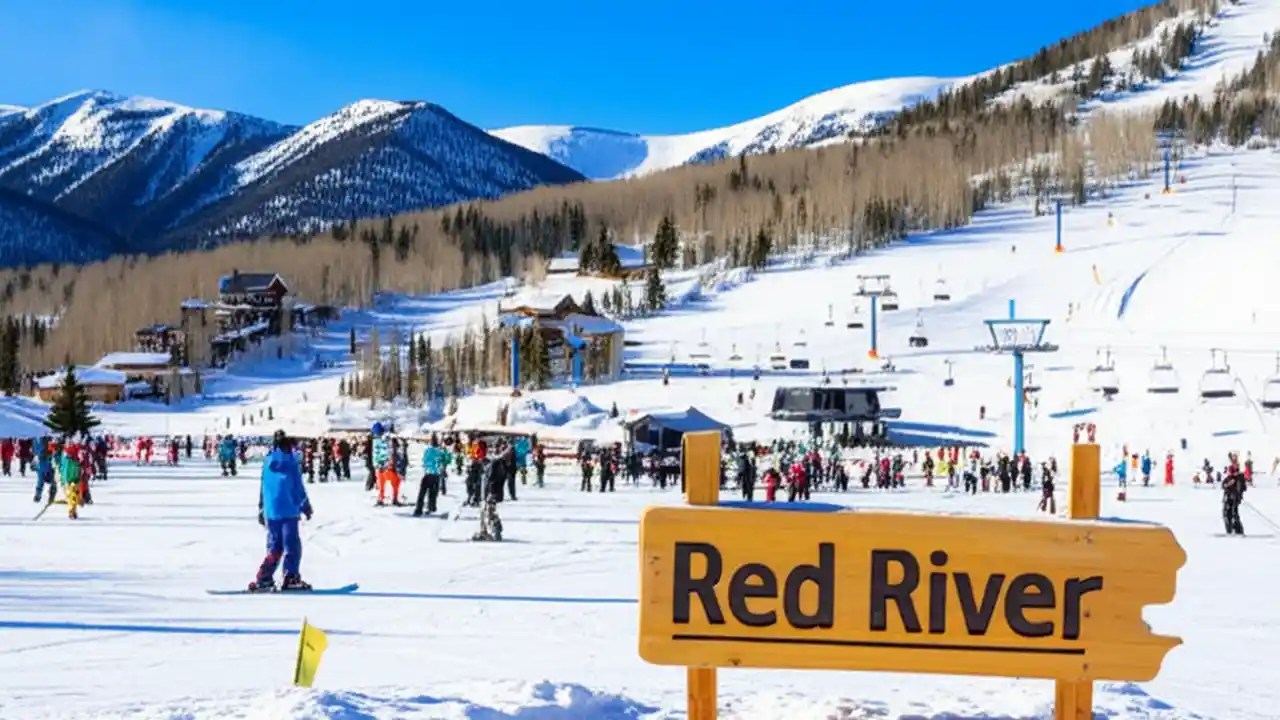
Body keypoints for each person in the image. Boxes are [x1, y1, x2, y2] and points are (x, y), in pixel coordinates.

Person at [249, 431, 313, 592]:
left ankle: (264, 577)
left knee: (275, 546)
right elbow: (297, 486)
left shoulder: (268, 462)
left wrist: (261, 508)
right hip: (289, 509)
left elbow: (263, 487)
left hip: (272, 510)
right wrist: (305, 505)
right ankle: (291, 576)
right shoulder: (291, 463)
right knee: (292, 544)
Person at [371, 423, 401, 506]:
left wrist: (376, 465)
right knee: (395, 482)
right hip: (387, 466)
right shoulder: (387, 441)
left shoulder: (375, 441)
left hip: (378, 466)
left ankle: (380, 499)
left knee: (381, 484)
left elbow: (374, 455)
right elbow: (390, 453)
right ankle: (394, 498)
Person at [416, 434, 446, 516]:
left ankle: (419, 508)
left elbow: (424, 460)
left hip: (428, 473)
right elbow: (443, 461)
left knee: (422, 491)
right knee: (433, 492)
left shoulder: (428, 450)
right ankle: (431, 507)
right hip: (436, 474)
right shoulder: (440, 452)